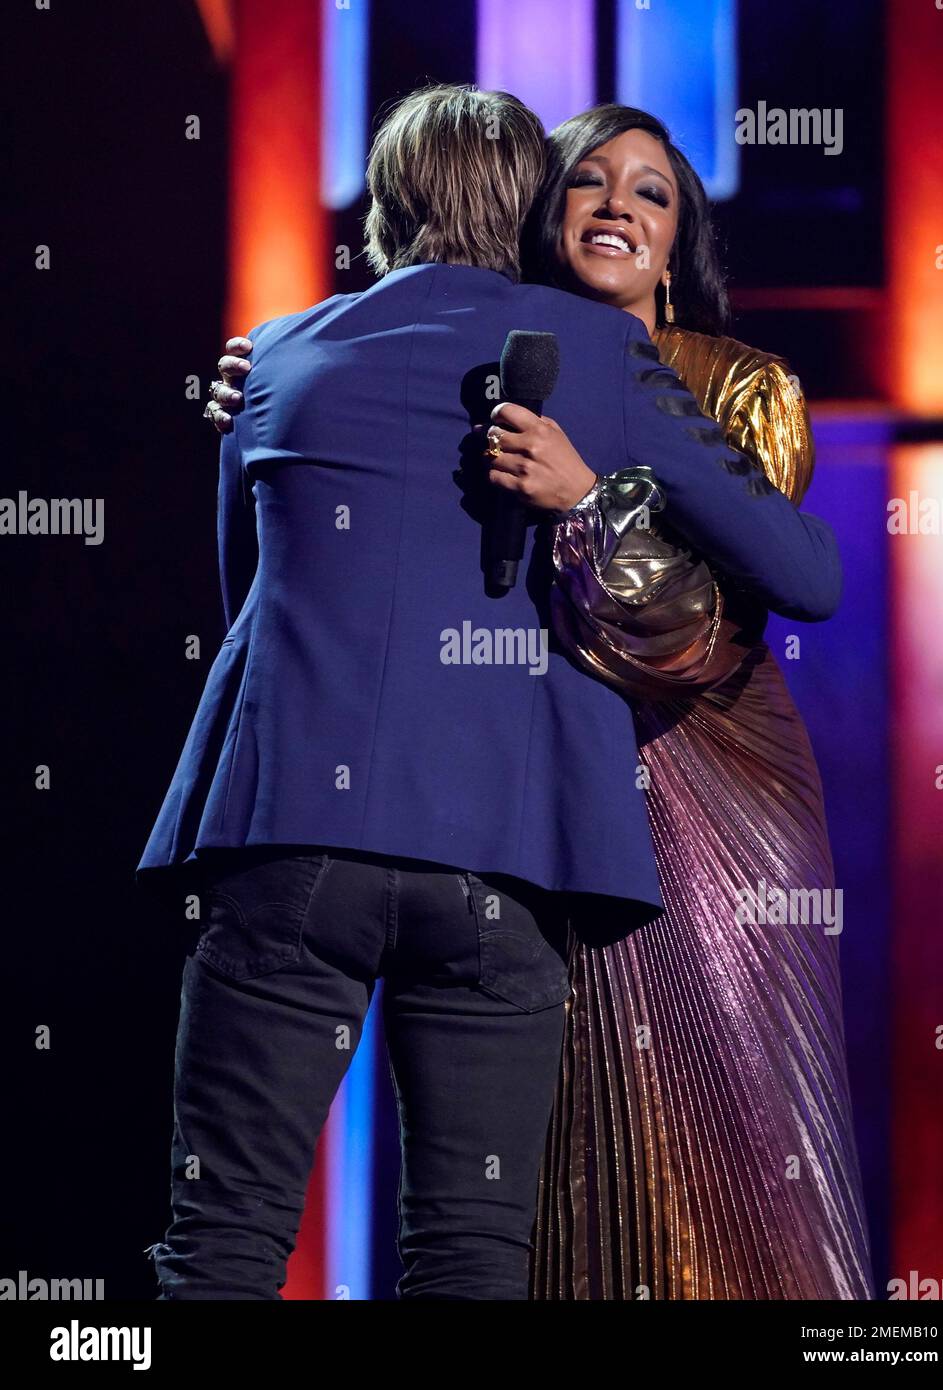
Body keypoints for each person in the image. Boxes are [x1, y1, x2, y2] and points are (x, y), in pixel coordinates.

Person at [149, 83, 840, 1302]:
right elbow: (806, 573)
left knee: (224, 1243)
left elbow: (245, 602)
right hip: (502, 866)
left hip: (290, 841)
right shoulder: (605, 359)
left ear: (385, 202)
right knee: (468, 1258)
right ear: (528, 203)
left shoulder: (279, 352)